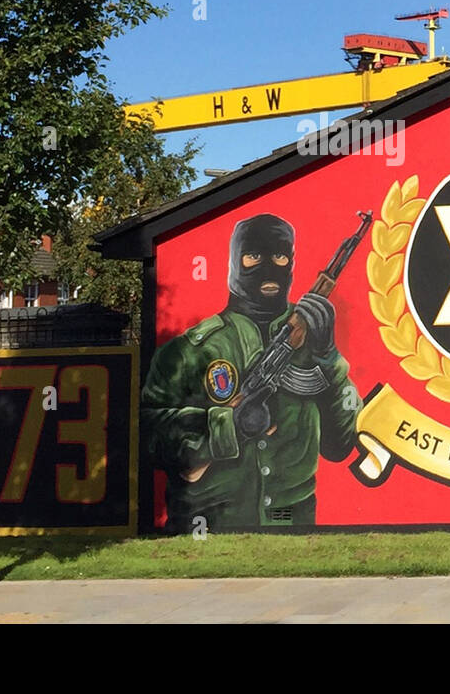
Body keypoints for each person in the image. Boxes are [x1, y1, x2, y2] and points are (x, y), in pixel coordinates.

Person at [141, 213, 362, 532]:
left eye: (280, 256)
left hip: (294, 524)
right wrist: (228, 427)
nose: (269, 268)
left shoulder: (314, 341)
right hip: (212, 521)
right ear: (234, 261)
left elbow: (340, 445)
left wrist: (328, 358)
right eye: (254, 256)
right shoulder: (190, 350)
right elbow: (147, 434)